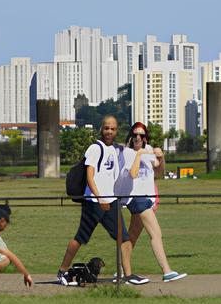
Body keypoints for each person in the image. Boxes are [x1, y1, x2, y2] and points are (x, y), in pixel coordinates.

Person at [56, 117, 130, 284]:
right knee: (81, 237)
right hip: (94, 203)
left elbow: (112, 178)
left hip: (111, 202)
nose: (109, 132)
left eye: (113, 129)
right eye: (106, 128)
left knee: (123, 238)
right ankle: (62, 270)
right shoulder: (95, 148)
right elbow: (90, 176)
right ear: (101, 129)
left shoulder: (114, 150)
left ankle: (128, 274)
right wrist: (99, 197)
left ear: (117, 131)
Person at [120, 122, 187, 283]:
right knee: (156, 233)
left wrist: (161, 157)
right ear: (130, 136)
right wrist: (139, 154)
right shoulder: (127, 152)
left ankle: (122, 271)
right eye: (135, 134)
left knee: (132, 237)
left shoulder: (148, 149)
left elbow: (159, 171)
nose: (138, 138)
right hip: (137, 198)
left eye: (141, 135)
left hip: (147, 197)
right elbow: (133, 174)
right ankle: (167, 271)